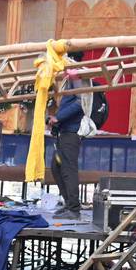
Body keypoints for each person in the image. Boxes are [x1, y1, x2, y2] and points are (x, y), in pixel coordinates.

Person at [48, 51, 86, 218]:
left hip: (71, 132)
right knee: (57, 167)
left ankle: (74, 209)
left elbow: (80, 103)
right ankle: (69, 203)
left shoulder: (76, 76)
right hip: (65, 131)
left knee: (68, 169)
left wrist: (58, 117)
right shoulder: (70, 79)